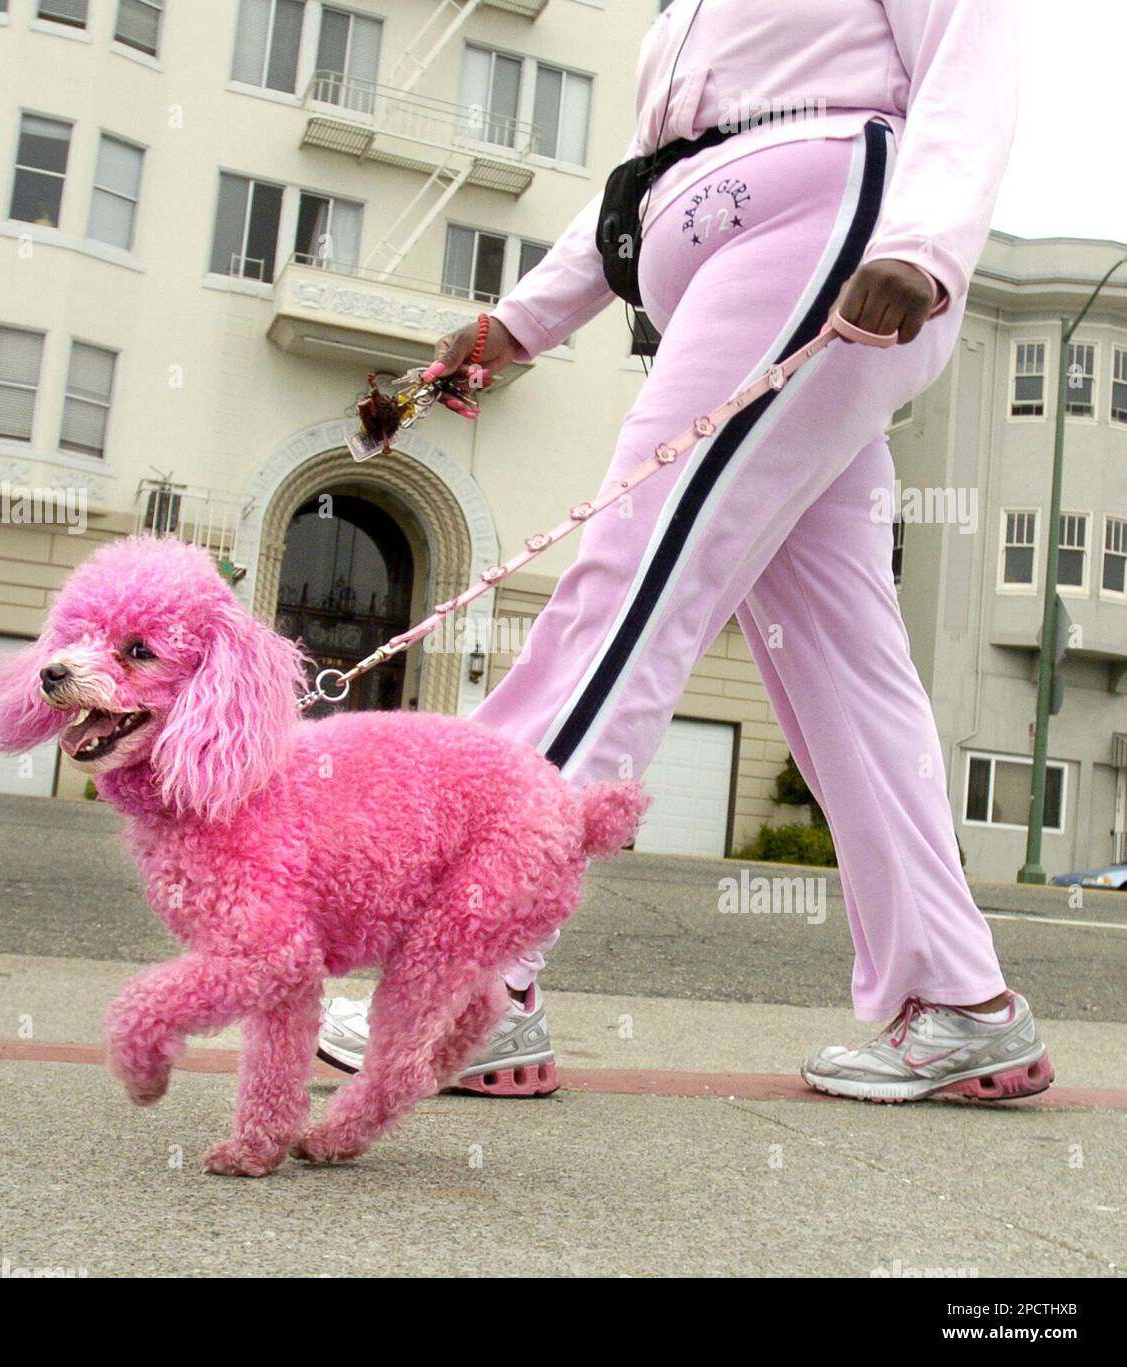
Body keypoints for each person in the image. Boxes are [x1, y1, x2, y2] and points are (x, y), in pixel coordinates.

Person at [320, 0, 1053, 1103]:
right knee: (841, 663)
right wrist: (517, 322)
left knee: (634, 571)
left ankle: (475, 972)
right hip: (754, 252)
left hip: (829, 236)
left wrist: (923, 243)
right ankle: (960, 998)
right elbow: (658, 163)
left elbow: (970, 48)